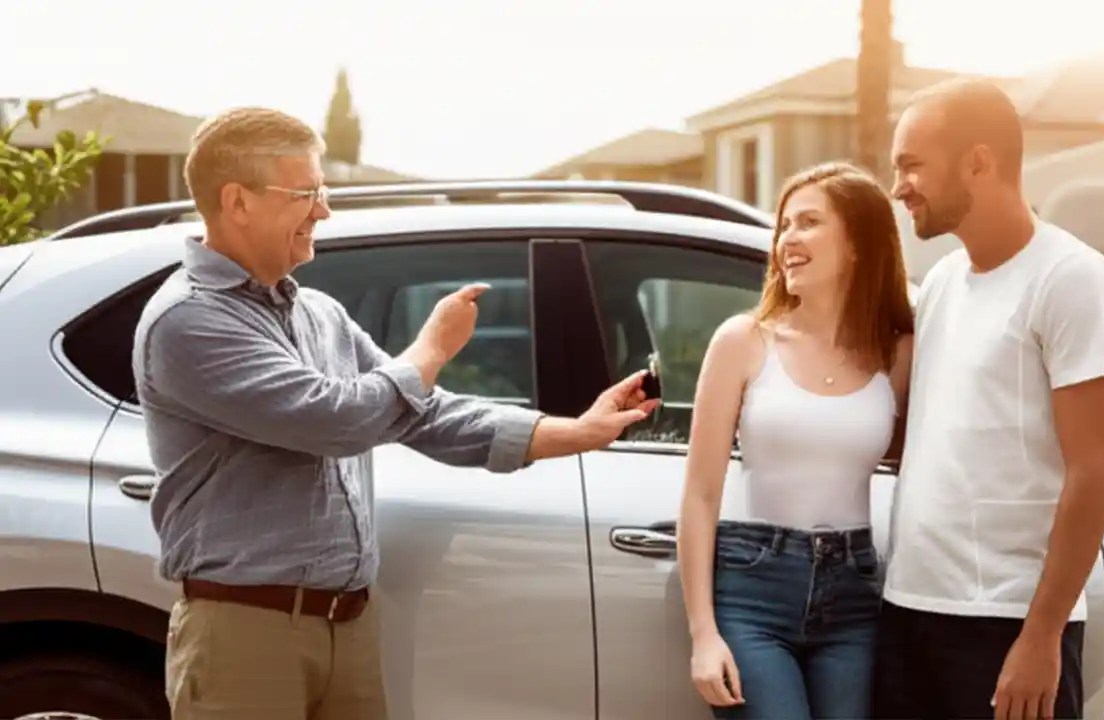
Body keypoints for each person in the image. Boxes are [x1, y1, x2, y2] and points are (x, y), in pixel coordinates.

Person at [133, 107, 657, 720]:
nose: (323, 211)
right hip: (247, 637)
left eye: (322, 192)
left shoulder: (319, 313)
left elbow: (417, 412)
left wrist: (575, 430)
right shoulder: (189, 320)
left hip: (348, 624)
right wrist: (432, 347)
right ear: (237, 202)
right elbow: (335, 420)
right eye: (306, 194)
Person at [873, 79, 1104, 720]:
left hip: (1007, 621)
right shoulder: (940, 283)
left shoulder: (1072, 279)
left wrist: (1041, 637)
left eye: (911, 165)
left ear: (977, 163)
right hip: (910, 611)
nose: (899, 187)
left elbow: (1096, 468)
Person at [677, 161, 914, 719]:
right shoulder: (743, 341)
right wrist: (703, 634)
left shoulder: (898, 354)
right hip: (753, 590)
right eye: (784, 226)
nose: (788, 239)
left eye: (809, 223)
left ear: (857, 245)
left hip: (854, 595)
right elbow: (701, 495)